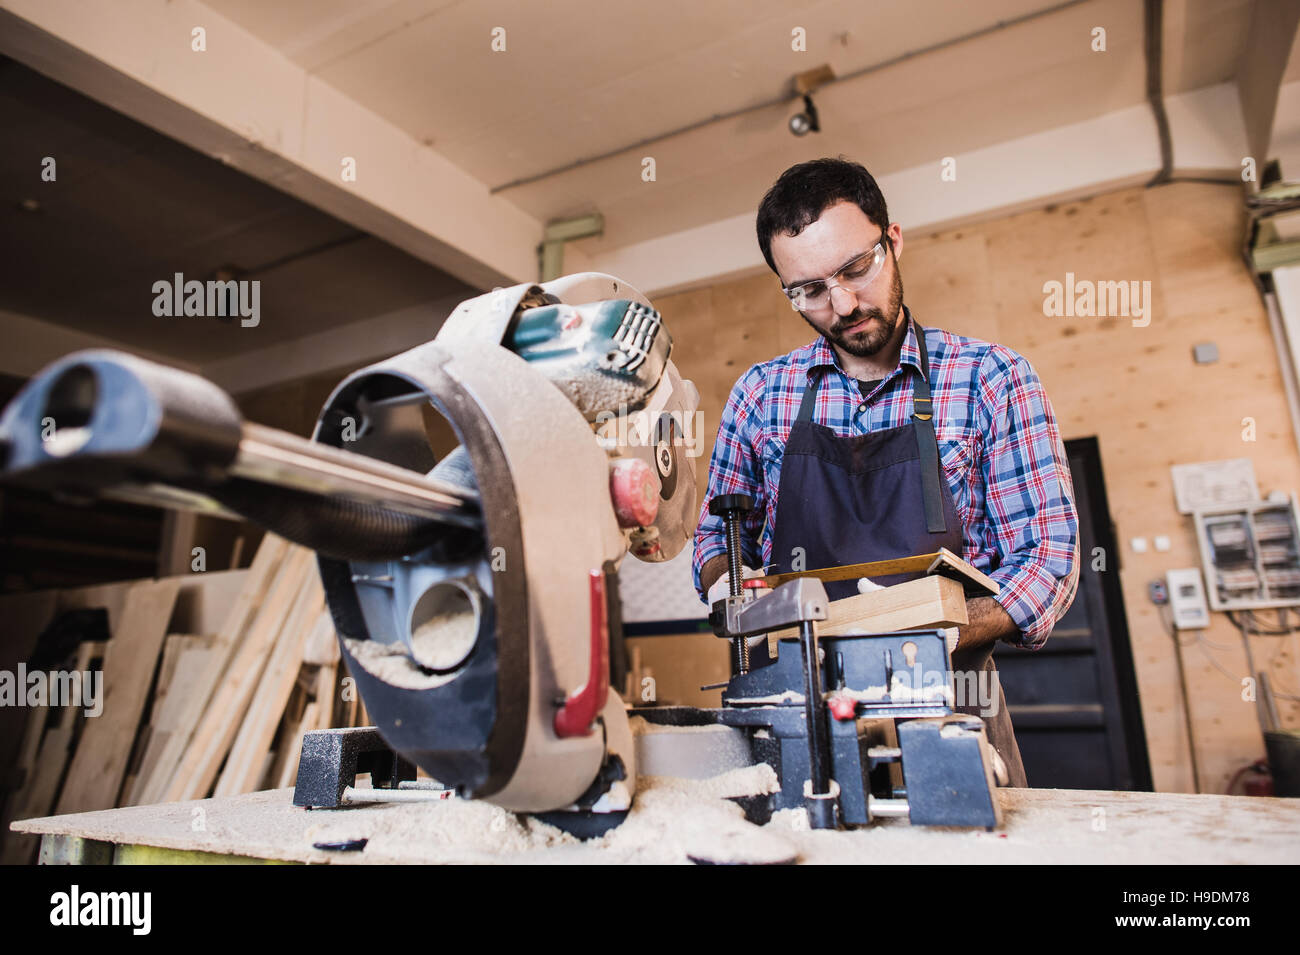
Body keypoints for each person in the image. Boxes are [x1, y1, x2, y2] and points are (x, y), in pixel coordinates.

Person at [692, 157, 1080, 786]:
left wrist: (933, 628)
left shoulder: (991, 378)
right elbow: (717, 538)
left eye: (856, 269)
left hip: (954, 705)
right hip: (797, 710)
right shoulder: (761, 394)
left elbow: (1049, 559)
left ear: (893, 240)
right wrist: (724, 586)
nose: (842, 304)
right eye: (810, 291)